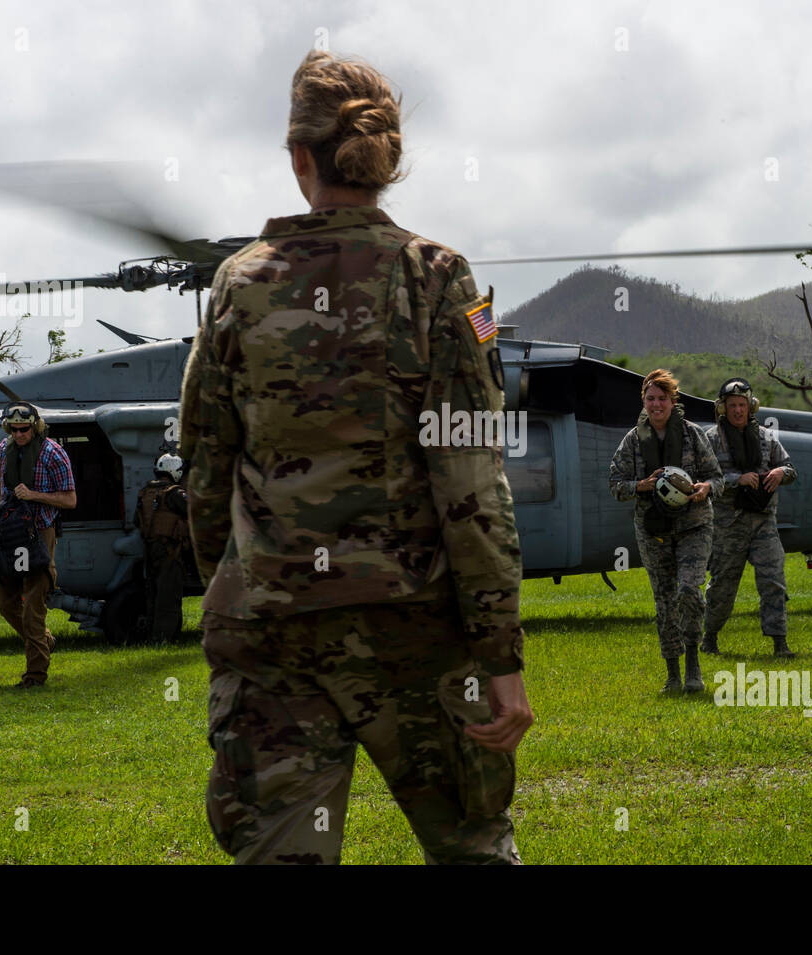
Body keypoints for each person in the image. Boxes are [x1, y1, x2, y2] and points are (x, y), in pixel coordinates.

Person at [180, 50, 532, 865]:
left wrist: (235, 582)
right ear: (388, 162)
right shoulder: (444, 279)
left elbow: (202, 463)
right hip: (420, 635)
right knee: (475, 846)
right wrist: (498, 646)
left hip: (276, 639)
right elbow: (472, 478)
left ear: (299, 159)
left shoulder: (236, 285)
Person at [609, 369, 723, 694]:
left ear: (673, 401)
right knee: (664, 602)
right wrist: (641, 485)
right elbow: (615, 485)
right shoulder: (632, 441)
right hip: (653, 531)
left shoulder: (692, 435)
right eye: (650, 399)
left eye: (662, 398)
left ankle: (693, 665)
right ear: (643, 402)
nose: (656, 405)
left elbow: (718, 478)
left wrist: (704, 488)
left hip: (694, 525)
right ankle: (673, 675)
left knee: (688, 590)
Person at [702, 378, 798, 658]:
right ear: (723, 408)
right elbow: (703, 480)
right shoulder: (710, 439)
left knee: (773, 580)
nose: (738, 411)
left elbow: (791, 468)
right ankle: (709, 637)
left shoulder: (767, 438)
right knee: (722, 585)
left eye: (742, 405)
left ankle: (779, 642)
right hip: (728, 525)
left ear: (751, 406)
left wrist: (781, 473)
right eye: (732, 405)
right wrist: (736, 479)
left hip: (763, 522)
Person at [0, 401, 76, 688]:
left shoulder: (54, 453)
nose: (19, 434)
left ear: (35, 426)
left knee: (33, 606)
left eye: (24, 429)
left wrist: (34, 495)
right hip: (12, 535)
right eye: (14, 430)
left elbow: (70, 499)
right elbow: (0, 481)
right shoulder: (4, 449)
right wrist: (1, 511)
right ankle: (45, 640)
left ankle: (35, 675)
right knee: (5, 600)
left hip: (40, 535)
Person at [134, 451, 190, 642]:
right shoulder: (174, 493)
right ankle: (163, 638)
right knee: (168, 596)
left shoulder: (145, 493)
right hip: (170, 551)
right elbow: (193, 510)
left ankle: (154, 635)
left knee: (154, 595)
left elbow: (136, 521)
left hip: (150, 550)